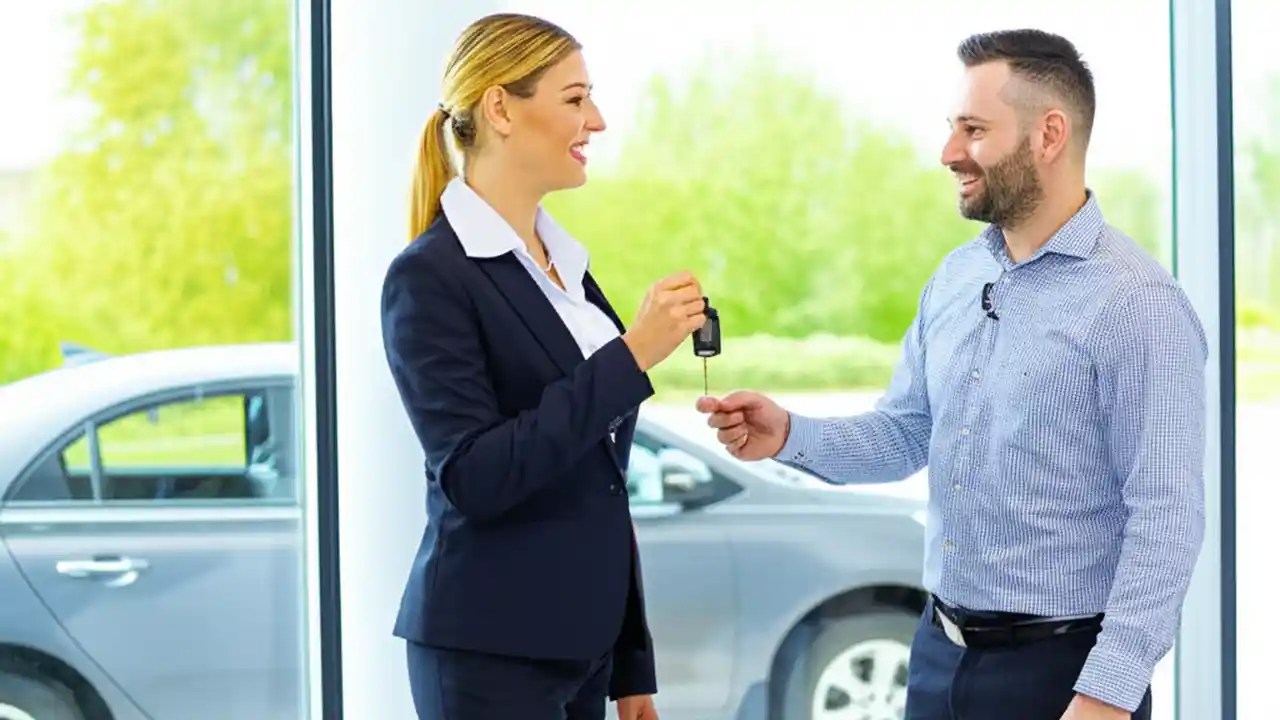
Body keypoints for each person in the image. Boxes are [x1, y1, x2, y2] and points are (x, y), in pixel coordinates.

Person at [697, 29, 1206, 720]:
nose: (948, 153)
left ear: (1048, 134)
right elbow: (907, 433)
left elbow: (1167, 517)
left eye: (973, 129)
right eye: (952, 128)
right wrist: (788, 434)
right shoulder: (957, 277)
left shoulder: (1137, 304)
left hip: (1063, 679)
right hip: (937, 657)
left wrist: (1106, 695)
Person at [380, 12, 705, 720]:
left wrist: (631, 664)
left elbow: (600, 483)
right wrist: (631, 357)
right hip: (488, 653)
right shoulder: (430, 277)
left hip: (578, 651)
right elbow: (474, 474)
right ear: (500, 107)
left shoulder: (563, 268)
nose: (599, 120)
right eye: (575, 99)